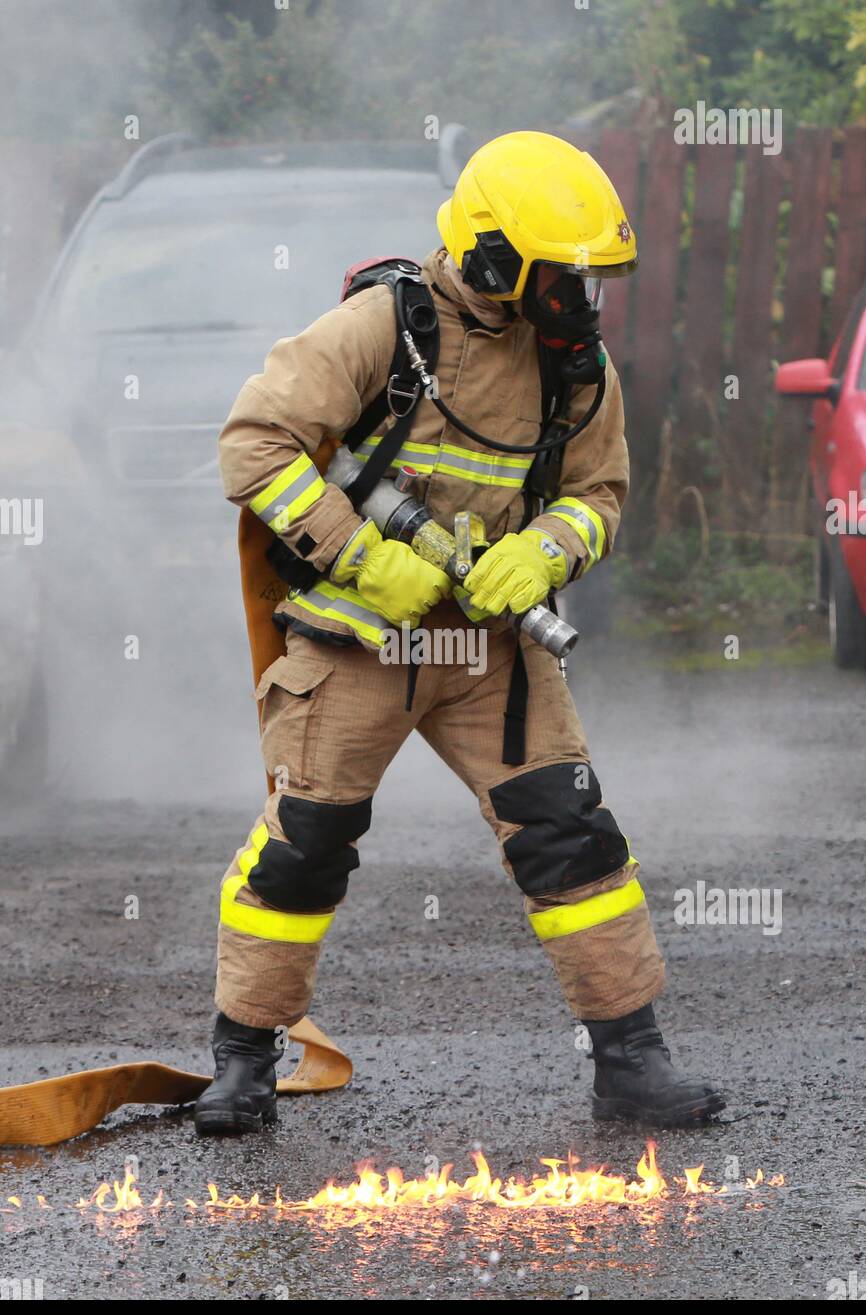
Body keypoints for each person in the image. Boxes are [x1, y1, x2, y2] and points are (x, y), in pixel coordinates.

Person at [195, 130, 725, 1136]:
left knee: (570, 840)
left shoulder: (576, 366)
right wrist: (358, 552)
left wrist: (548, 554)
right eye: (562, 275)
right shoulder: (376, 331)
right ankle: (241, 1059)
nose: (583, 299)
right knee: (302, 848)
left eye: (590, 278)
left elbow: (598, 493)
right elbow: (253, 444)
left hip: (494, 658)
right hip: (359, 643)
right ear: (491, 257)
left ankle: (630, 1058)